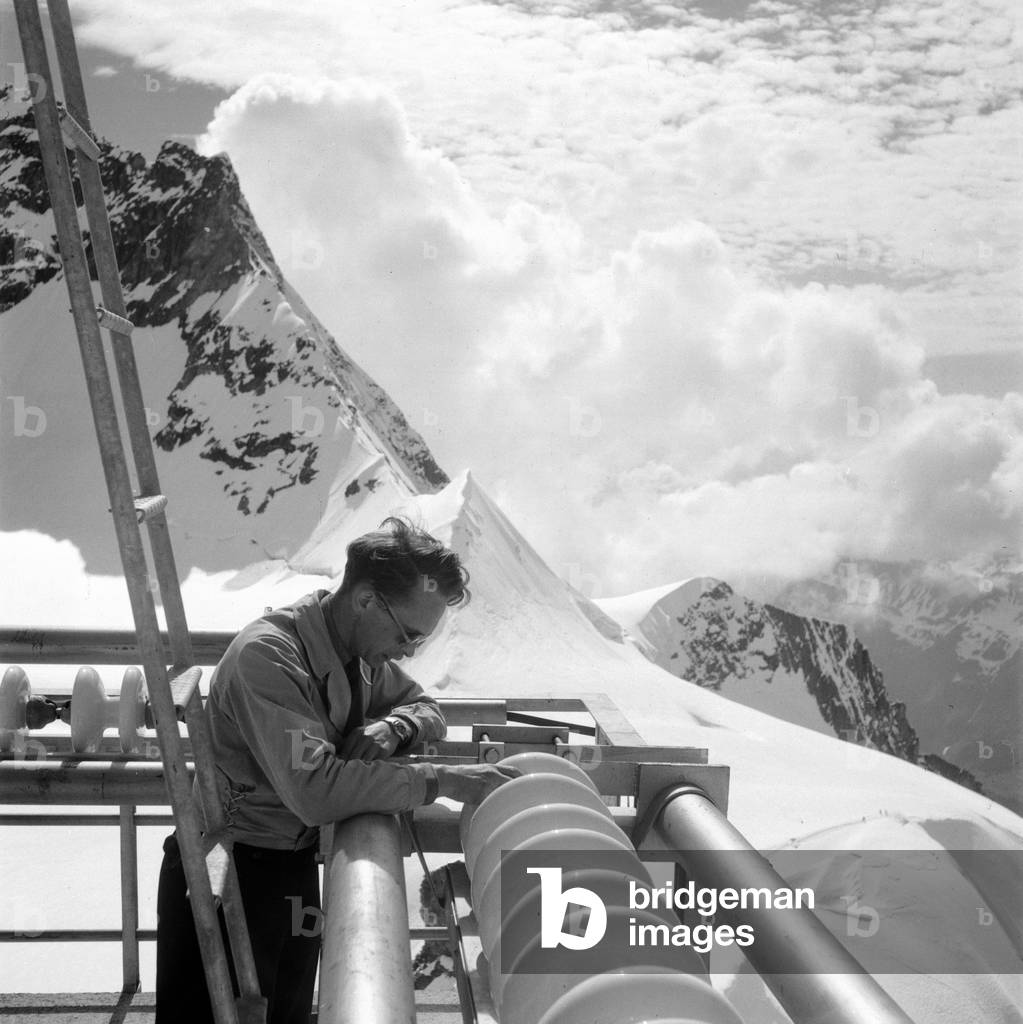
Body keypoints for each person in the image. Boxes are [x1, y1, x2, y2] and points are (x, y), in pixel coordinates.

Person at [155, 517, 519, 1024]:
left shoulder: (356, 650)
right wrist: (442, 781)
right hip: (227, 876)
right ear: (368, 600)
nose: (410, 650)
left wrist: (393, 728)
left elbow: (426, 707)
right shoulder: (270, 658)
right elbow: (317, 791)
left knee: (286, 1014)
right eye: (408, 634)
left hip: (290, 867)